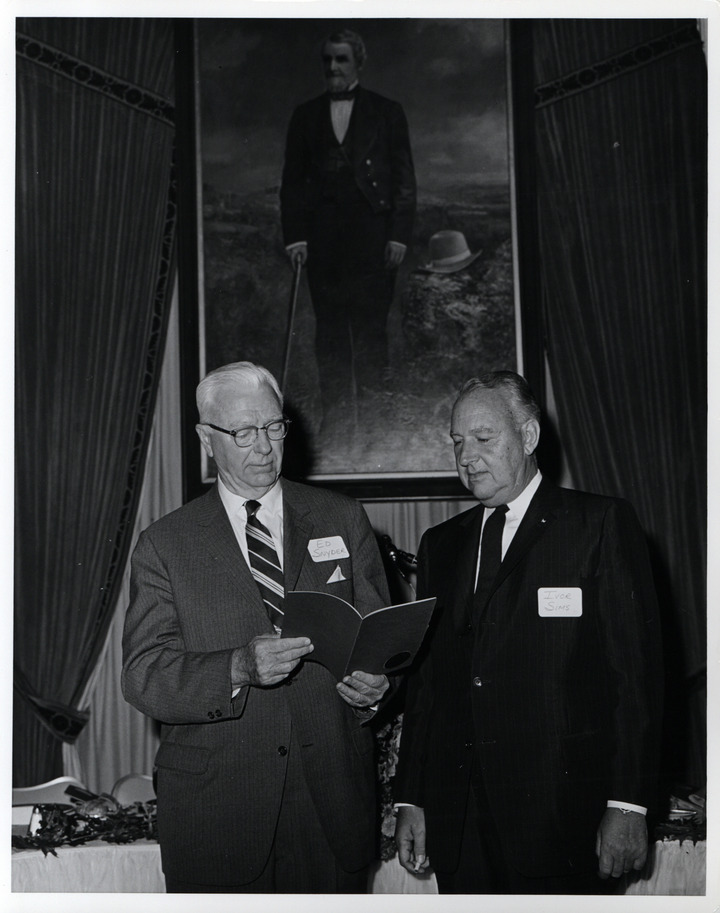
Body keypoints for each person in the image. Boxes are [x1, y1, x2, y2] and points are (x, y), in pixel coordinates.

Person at [122, 361, 391, 893]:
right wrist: (237, 666)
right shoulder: (165, 544)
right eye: (243, 432)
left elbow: (382, 642)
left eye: (273, 427)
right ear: (206, 438)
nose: (264, 447)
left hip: (329, 807)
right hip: (217, 814)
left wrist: (378, 688)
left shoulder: (342, 518)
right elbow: (143, 675)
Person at [393, 370, 663, 894]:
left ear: (530, 437)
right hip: (461, 822)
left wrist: (628, 805)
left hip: (561, 819)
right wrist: (413, 797)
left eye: (483, 439)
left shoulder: (598, 525)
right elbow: (429, 686)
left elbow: (637, 680)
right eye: (456, 442)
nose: (466, 456)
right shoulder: (440, 545)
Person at [280, 28, 416, 416]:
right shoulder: (305, 116)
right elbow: (292, 184)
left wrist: (399, 237)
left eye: (341, 59)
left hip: (373, 242)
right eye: (328, 59)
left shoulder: (386, 111)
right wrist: (296, 239)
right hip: (323, 245)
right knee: (330, 336)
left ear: (358, 62)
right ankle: (336, 424)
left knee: (372, 332)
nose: (333, 66)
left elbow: (405, 181)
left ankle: (377, 425)